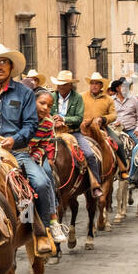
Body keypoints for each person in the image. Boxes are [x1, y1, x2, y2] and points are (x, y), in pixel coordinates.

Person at [0, 42, 58, 253]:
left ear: (11, 66)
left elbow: (31, 125)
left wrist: (15, 139)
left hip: (17, 153)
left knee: (40, 182)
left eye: (3, 62)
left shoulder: (24, 94)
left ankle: (42, 232)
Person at [50, 70, 103, 198]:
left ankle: (95, 183)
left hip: (73, 133)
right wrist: (53, 120)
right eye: (59, 84)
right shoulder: (52, 96)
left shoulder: (77, 97)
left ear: (69, 86)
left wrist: (63, 119)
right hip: (54, 133)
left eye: (63, 84)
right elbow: (48, 113)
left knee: (89, 154)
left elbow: (79, 118)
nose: (60, 87)